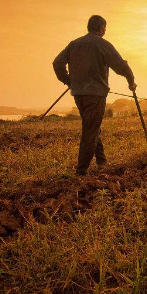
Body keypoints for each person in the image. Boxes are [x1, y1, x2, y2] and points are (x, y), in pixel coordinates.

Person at [53, 15, 137, 175]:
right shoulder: (102, 44)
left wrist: (69, 81)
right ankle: (81, 171)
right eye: (105, 28)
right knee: (90, 131)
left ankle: (101, 161)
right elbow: (121, 65)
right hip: (95, 95)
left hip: (78, 94)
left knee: (92, 126)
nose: (105, 31)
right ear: (101, 28)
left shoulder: (74, 44)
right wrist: (131, 81)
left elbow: (57, 63)